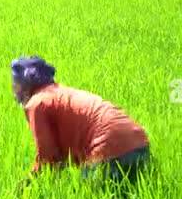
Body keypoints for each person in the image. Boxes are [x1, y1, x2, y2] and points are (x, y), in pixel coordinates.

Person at [12, 56, 150, 188]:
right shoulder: (60, 93)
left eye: (15, 83)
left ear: (25, 84)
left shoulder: (37, 103)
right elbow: (60, 157)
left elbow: (47, 157)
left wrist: (24, 187)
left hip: (109, 147)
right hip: (140, 143)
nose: (13, 89)